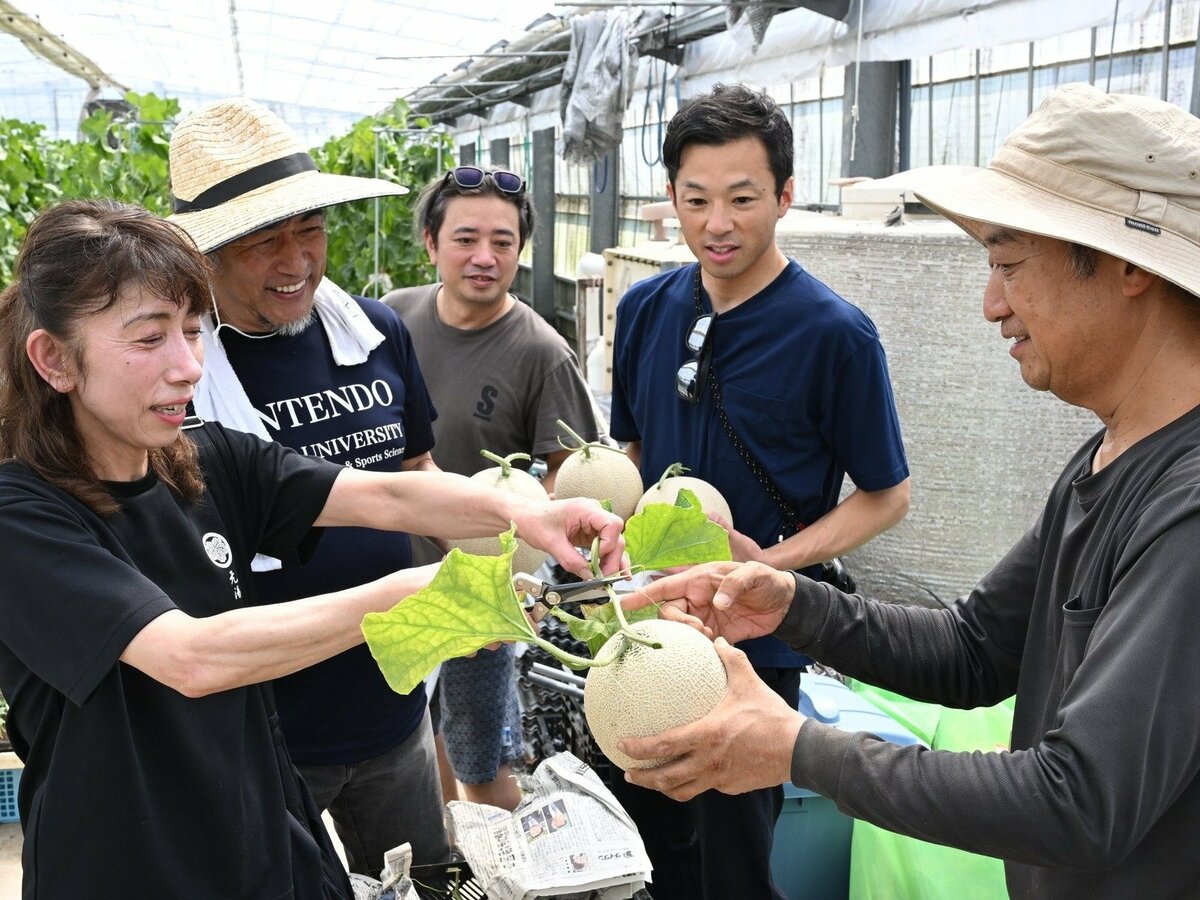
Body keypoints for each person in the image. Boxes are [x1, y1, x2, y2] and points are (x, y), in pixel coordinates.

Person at [620, 83, 1200, 900]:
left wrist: (795, 746)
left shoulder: (1187, 504)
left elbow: (1080, 800)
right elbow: (973, 652)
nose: (992, 303)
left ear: (1128, 267)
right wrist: (787, 601)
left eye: (1007, 264)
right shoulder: (1105, 458)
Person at [0, 199, 624, 898]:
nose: (187, 367)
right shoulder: (22, 516)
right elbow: (190, 656)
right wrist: (413, 597)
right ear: (54, 358)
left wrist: (525, 509)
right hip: (126, 867)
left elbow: (385, 495)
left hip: (259, 843)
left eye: (194, 331)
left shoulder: (205, 459)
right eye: (150, 340)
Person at [164, 97, 535, 874]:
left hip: (392, 707)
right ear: (207, 255)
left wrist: (484, 586)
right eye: (268, 242)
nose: (298, 262)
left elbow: (411, 478)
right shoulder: (180, 378)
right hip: (265, 725)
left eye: (311, 231)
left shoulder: (372, 334)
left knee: (424, 878)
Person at [608, 83, 910, 898]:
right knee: (647, 850)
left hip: (754, 644)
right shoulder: (643, 309)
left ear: (784, 196)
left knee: (735, 861)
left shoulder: (834, 333)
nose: (717, 224)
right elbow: (632, 452)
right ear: (669, 196)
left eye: (743, 199)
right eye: (696, 199)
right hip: (651, 627)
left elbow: (887, 495)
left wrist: (770, 565)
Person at [383, 166, 606, 811]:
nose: (484, 258)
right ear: (431, 242)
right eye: (465, 239)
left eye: (503, 242)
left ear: (520, 251)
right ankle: (450, 860)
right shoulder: (394, 318)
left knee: (477, 753)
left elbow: (572, 480)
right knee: (403, 746)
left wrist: (546, 586)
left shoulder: (541, 352)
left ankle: (499, 866)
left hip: (483, 587)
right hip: (387, 574)